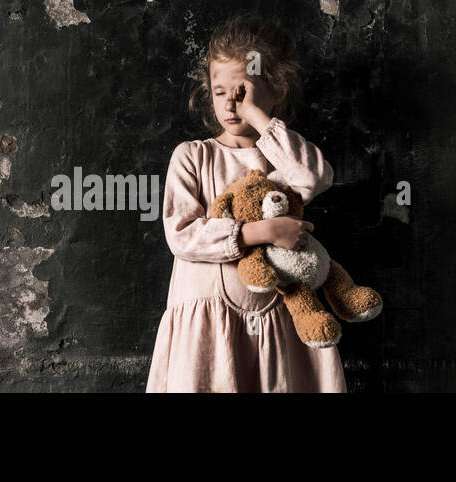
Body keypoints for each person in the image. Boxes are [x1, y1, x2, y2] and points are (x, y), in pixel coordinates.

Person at [145, 15, 344, 393]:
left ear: (277, 89)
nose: (230, 103)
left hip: (279, 323)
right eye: (220, 92)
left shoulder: (280, 157)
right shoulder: (193, 156)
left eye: (243, 92)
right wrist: (261, 232)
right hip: (209, 328)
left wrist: (258, 115)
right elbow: (182, 234)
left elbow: (315, 178)